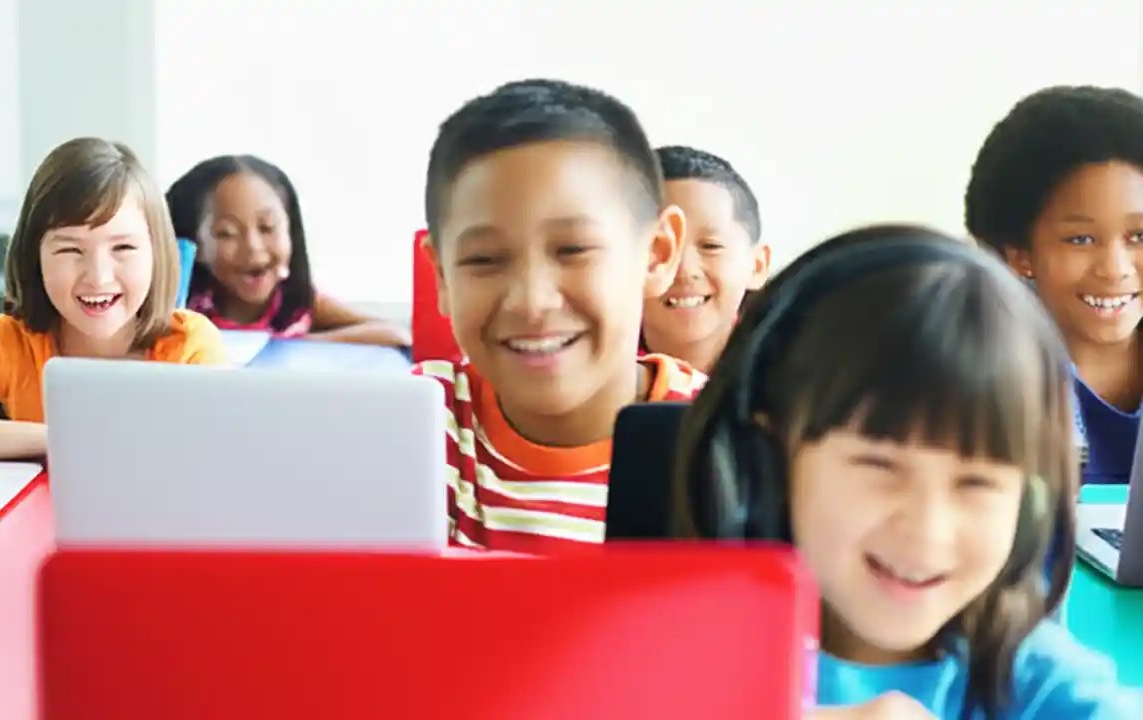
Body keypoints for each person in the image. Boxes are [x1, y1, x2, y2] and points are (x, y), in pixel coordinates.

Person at [672, 226, 1139, 718]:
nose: (926, 530)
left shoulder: (1043, 687)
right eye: (880, 466)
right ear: (763, 465)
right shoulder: (662, 665)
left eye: (977, 483)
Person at [415, 78, 706, 552]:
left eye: (574, 250)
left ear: (656, 253)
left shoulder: (726, 443)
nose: (532, 302)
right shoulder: (417, 425)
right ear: (443, 278)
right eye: (485, 259)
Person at [0, 137, 226, 460]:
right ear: (34, 256)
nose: (98, 277)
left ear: (157, 253)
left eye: (123, 248)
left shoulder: (190, 345)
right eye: (70, 249)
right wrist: (54, 439)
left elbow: (223, 447)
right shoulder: (12, 343)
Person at [966, 85, 1143, 484]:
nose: (1115, 269)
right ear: (1019, 254)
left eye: (1140, 237)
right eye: (1080, 239)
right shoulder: (973, 381)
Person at [167, 155, 410, 347]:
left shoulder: (298, 303)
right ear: (194, 244)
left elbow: (395, 334)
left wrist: (295, 346)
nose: (253, 247)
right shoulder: (181, 311)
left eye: (267, 227)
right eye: (227, 233)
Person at [640, 145, 770, 372]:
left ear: (757, 266)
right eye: (659, 247)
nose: (684, 269)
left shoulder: (791, 372)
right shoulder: (587, 377)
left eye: (711, 246)